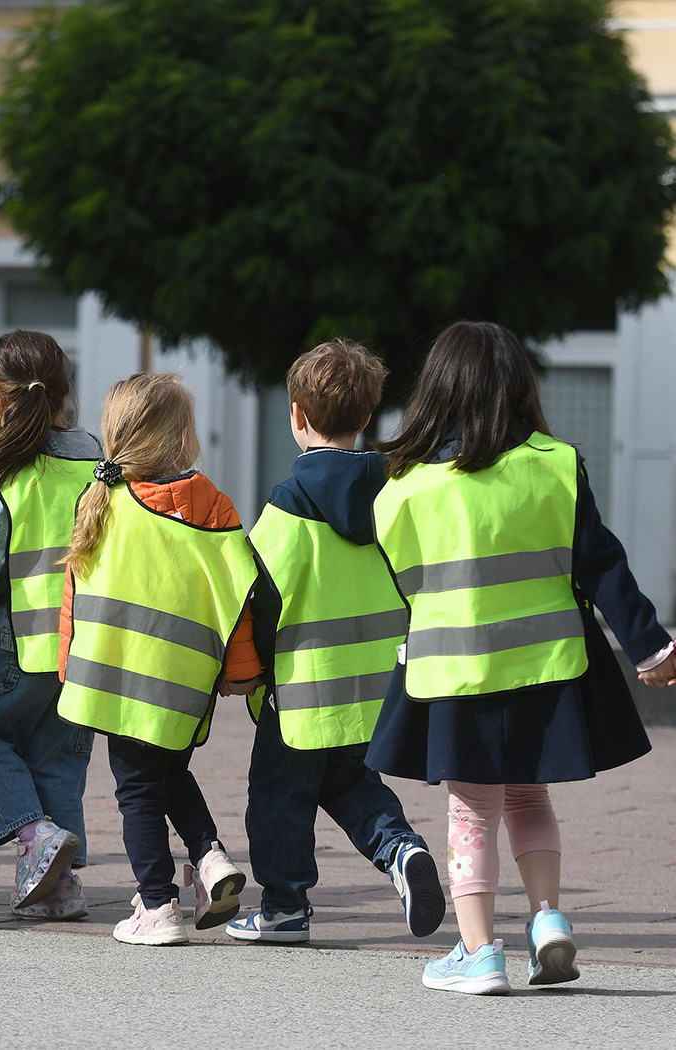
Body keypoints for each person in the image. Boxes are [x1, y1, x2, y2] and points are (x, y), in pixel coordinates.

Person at [367, 321, 676, 995]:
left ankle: (477, 953)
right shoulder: (555, 465)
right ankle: (545, 920)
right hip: (545, 666)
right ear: (517, 388)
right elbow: (601, 564)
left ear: (436, 392)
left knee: (470, 808)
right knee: (527, 795)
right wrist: (650, 643)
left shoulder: (406, 488)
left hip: (455, 671)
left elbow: (405, 580)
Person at [228, 341, 445, 945]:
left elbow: (261, 599)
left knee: (278, 794)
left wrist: (248, 670)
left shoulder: (286, 507)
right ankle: (401, 851)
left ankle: (283, 906)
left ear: (297, 416)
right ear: (369, 416)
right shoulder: (395, 495)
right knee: (348, 782)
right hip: (378, 686)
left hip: (301, 688)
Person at [57, 373, 257, 946]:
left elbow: (75, 596)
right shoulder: (215, 506)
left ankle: (158, 905)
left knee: (137, 790)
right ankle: (210, 857)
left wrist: (70, 670)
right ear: (183, 435)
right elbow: (239, 595)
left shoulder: (102, 502)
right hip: (183, 681)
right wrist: (242, 674)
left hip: (116, 678)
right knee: (168, 771)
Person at [0, 331, 100, 920]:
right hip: (84, 641)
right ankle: (60, 889)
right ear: (64, 393)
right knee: (59, 757)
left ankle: (34, 838)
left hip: (17, 640)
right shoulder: (98, 462)